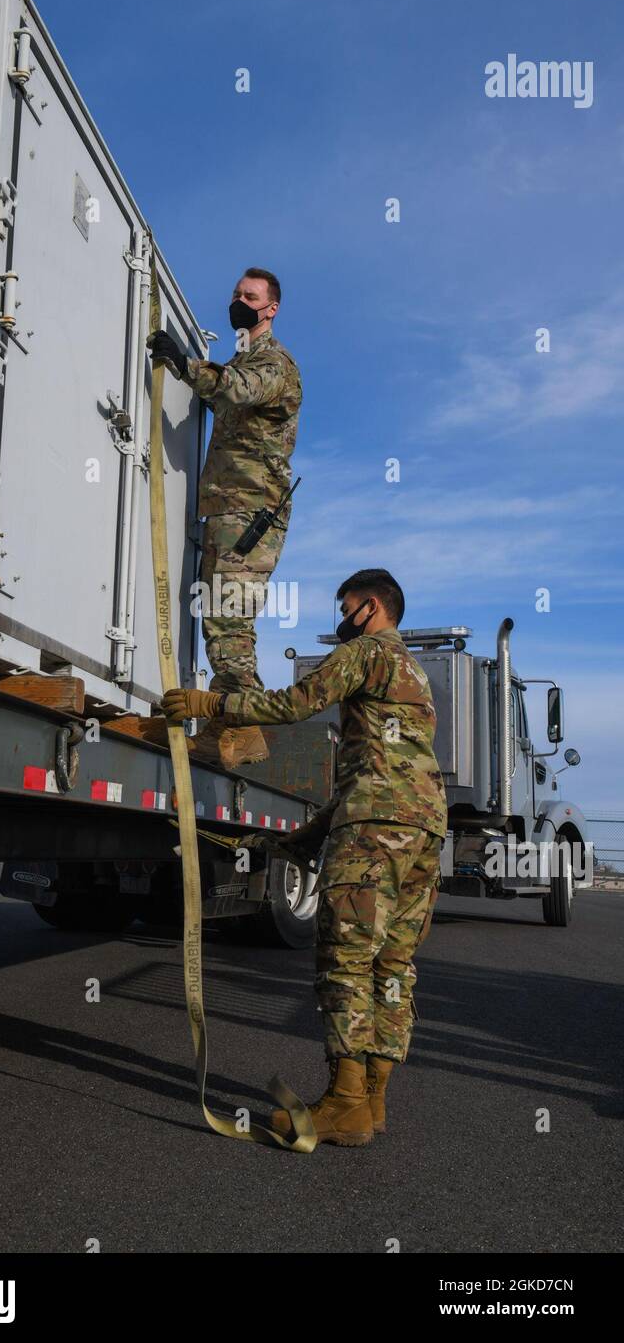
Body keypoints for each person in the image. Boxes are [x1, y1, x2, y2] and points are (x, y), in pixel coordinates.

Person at [161, 568, 448, 1147]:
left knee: (344, 957)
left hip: (374, 829)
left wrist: (211, 701)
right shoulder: (415, 673)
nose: (339, 618)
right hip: (423, 830)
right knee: (391, 966)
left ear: (371, 607)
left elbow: (295, 702)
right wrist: (303, 840)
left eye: (345, 606)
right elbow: (380, 776)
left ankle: (344, 1105)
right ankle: (372, 1101)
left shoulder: (367, 652)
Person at [145, 268, 302, 770]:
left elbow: (234, 388)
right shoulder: (241, 360)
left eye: (250, 296)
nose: (240, 300)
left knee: (228, 617)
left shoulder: (275, 364)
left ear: (270, 308)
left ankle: (243, 724)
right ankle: (230, 722)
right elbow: (223, 390)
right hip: (228, 509)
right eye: (236, 293)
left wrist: (183, 363)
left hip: (250, 511)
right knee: (221, 616)